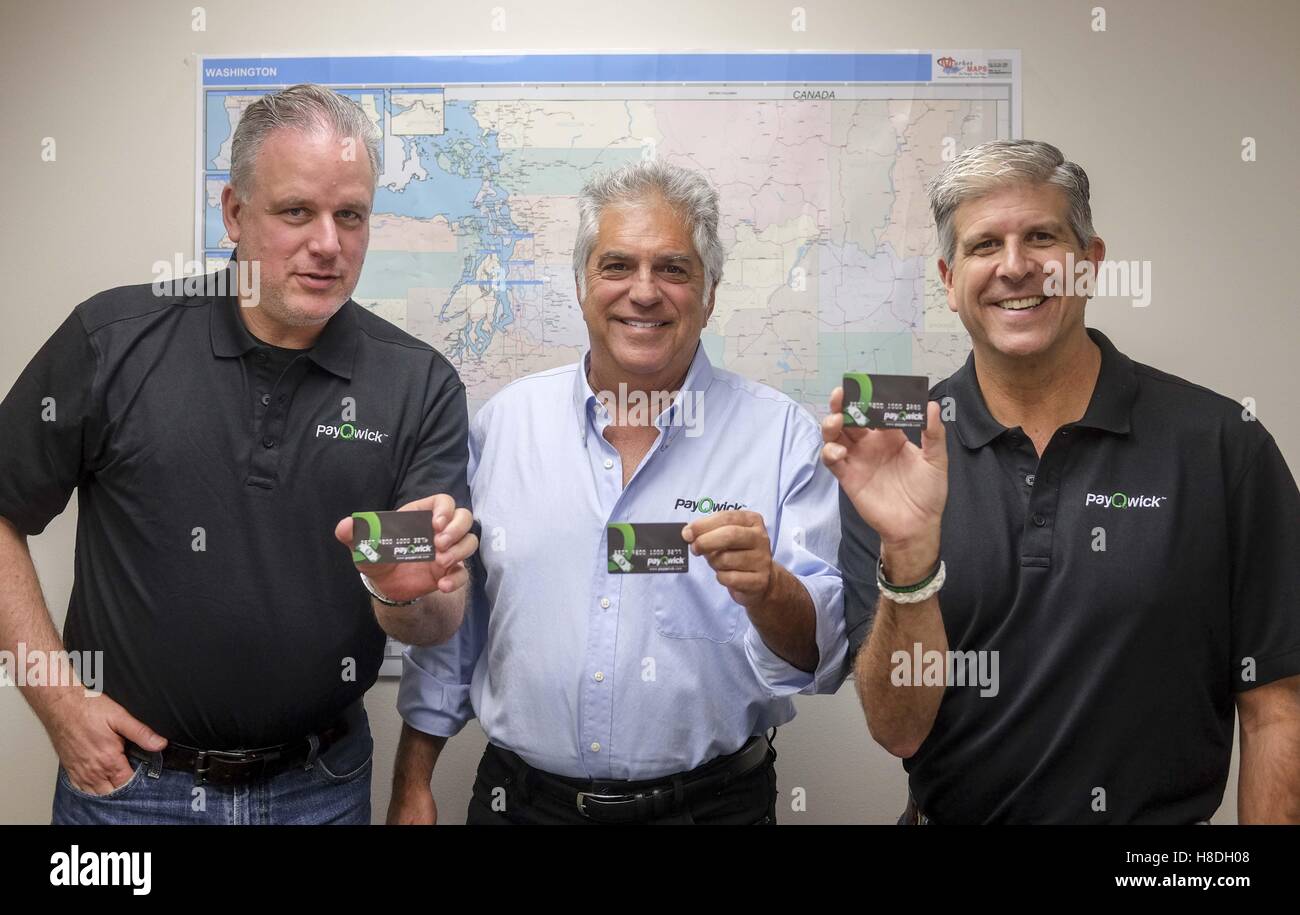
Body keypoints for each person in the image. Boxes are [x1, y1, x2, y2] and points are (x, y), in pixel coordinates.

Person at [0, 83, 476, 825]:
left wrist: (404, 591)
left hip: (321, 787)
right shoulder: (112, 340)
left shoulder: (418, 383)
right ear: (234, 213)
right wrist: (59, 703)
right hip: (128, 790)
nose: (329, 242)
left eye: (350, 215)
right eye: (297, 212)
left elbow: (436, 616)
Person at [824, 139, 1300, 824]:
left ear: (1090, 262)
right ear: (948, 277)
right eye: (985, 245)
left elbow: (1276, 706)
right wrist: (910, 554)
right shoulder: (892, 452)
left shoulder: (1224, 444)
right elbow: (899, 727)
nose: (1015, 267)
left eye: (1041, 236)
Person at [391, 159, 847, 824]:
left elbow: (824, 657)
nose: (644, 291)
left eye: (673, 268)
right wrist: (412, 781)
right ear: (582, 286)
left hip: (713, 808)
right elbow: (457, 632)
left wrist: (767, 586)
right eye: (616, 266)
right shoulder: (505, 427)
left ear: (710, 291)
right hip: (523, 805)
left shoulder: (781, 437)